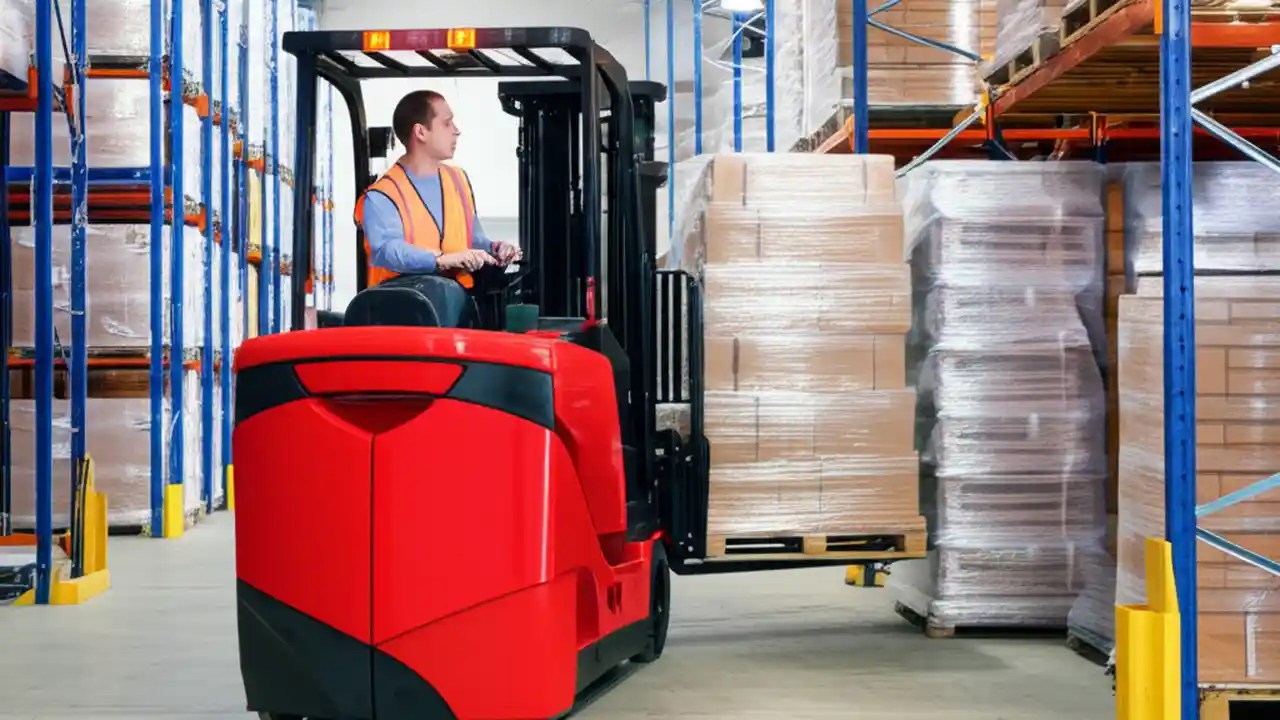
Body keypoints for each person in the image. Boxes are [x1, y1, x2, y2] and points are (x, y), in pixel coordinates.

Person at [354, 89, 521, 289]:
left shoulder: (457, 180)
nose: (456, 130)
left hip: (455, 307)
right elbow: (386, 250)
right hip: (402, 309)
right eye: (447, 123)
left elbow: (473, 240)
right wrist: (440, 260)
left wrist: (496, 249)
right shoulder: (382, 195)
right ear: (421, 132)